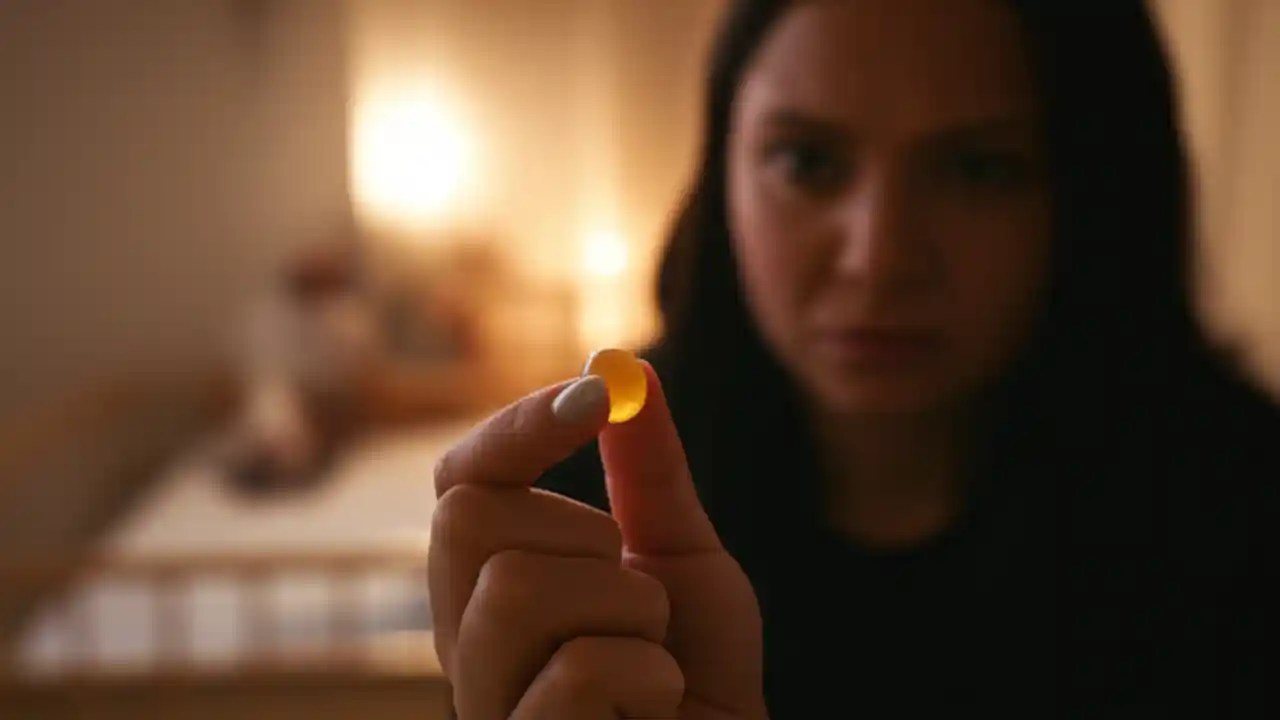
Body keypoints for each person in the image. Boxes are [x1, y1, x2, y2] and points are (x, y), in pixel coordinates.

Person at [428, 0, 1280, 716]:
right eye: (807, 161)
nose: (880, 256)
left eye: (979, 170)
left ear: (1095, 194)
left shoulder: (1244, 516)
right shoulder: (592, 500)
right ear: (722, 171)